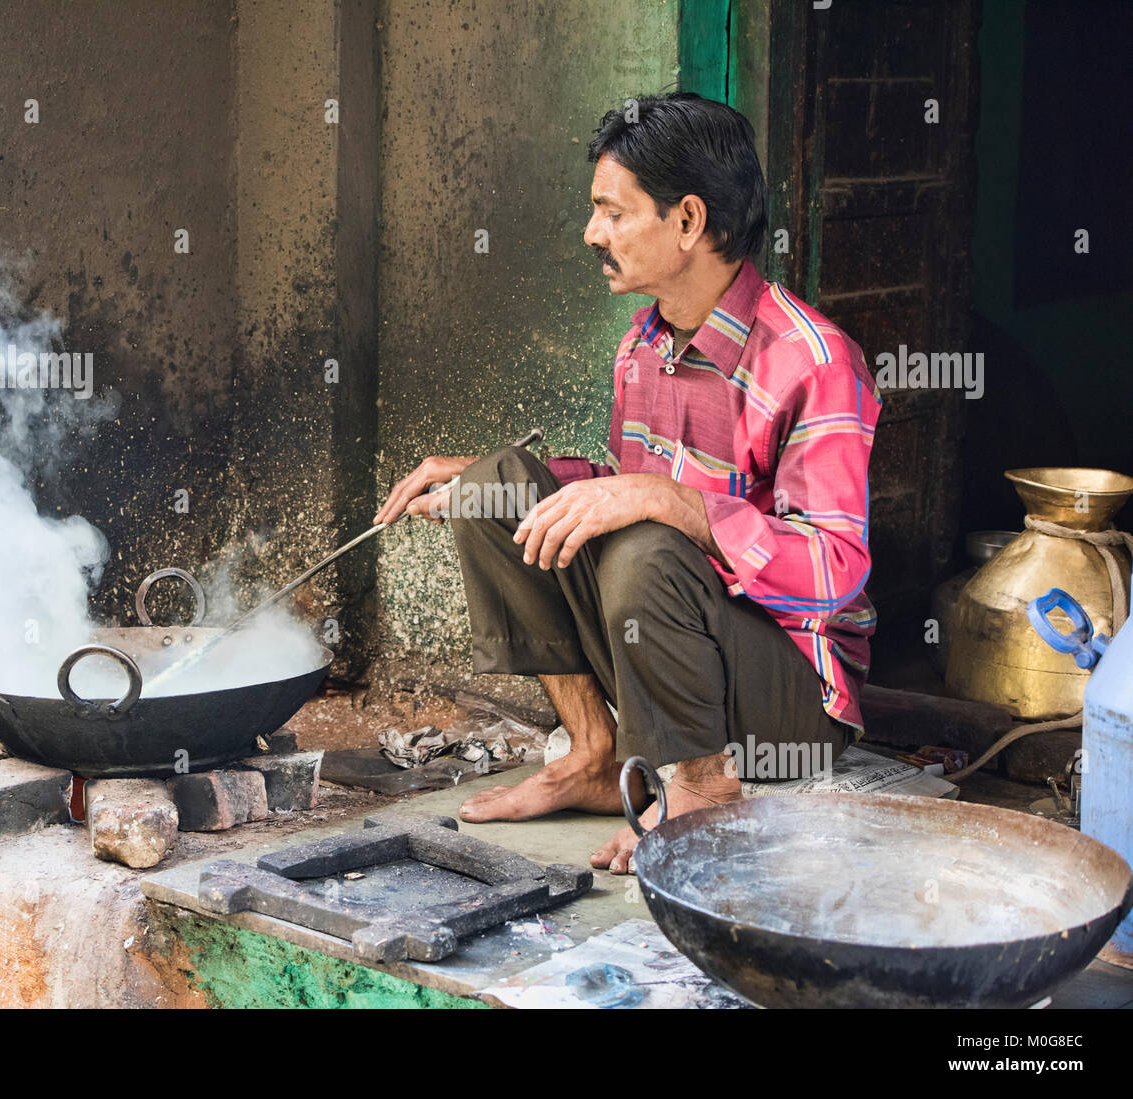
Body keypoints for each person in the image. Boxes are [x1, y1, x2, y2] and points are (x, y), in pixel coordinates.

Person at [372, 92, 881, 874]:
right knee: (499, 487)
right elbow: (624, 486)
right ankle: (593, 752)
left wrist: (674, 503)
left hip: (791, 701)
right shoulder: (643, 344)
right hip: (669, 656)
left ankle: (704, 789)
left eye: (613, 212)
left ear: (686, 221)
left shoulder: (812, 359)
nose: (592, 234)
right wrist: (480, 474)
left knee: (647, 543)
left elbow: (833, 572)